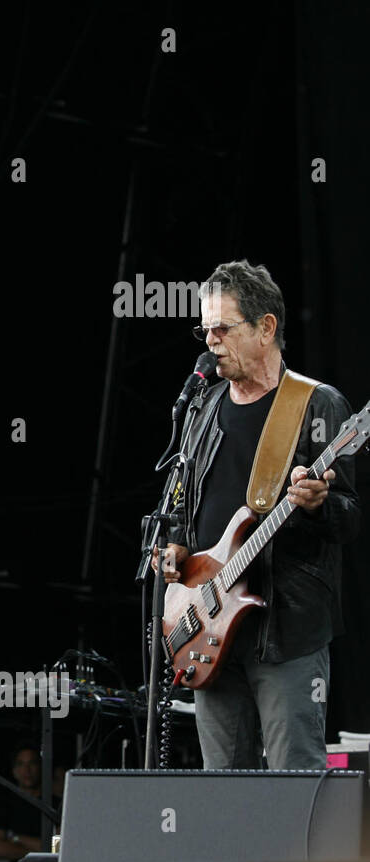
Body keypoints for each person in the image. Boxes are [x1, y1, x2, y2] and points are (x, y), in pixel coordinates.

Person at [157, 260, 359, 769]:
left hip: (286, 632)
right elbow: (182, 500)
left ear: (266, 327)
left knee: (292, 788)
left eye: (222, 328)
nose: (210, 342)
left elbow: (350, 515)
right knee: (223, 798)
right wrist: (177, 546)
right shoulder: (203, 409)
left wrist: (316, 506)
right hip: (207, 626)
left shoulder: (316, 405)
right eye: (204, 330)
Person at [0, 746, 59, 862]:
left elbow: (58, 849)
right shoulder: (3, 804)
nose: (27, 770)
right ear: (14, 771)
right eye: (21, 764)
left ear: (41, 768)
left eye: (32, 763)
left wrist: (16, 838)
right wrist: (40, 849)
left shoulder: (56, 805)